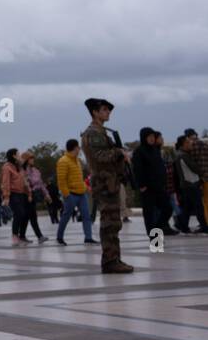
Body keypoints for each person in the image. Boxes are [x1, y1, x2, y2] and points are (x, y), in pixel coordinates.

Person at [80, 98, 133, 273]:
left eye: (108, 110)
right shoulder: (93, 133)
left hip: (109, 180)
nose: (107, 112)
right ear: (95, 112)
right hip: (104, 182)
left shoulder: (101, 132)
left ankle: (113, 258)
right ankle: (110, 261)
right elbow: (100, 156)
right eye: (104, 109)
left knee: (113, 222)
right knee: (109, 223)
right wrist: (119, 152)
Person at [132, 127, 175, 239]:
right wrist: (142, 186)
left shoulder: (155, 150)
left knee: (168, 208)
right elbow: (137, 170)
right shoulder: (139, 152)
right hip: (147, 188)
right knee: (150, 215)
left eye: (153, 137)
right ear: (144, 138)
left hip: (159, 187)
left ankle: (157, 229)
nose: (151, 139)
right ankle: (155, 241)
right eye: (149, 137)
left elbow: (160, 167)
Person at [55, 139, 96, 245]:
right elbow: (61, 181)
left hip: (82, 194)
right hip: (71, 194)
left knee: (86, 216)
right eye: (78, 147)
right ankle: (59, 237)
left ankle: (88, 238)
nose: (80, 149)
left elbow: (79, 178)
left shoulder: (77, 161)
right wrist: (66, 195)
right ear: (75, 148)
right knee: (66, 216)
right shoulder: (63, 161)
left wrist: (86, 188)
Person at [174, 135, 208, 233]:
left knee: (187, 207)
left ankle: (182, 225)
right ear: (183, 144)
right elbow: (195, 168)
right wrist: (203, 172)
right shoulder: (183, 155)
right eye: (188, 142)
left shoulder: (183, 154)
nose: (191, 144)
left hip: (188, 185)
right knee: (198, 207)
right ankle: (204, 227)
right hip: (190, 184)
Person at [21, 151, 47, 243]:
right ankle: (39, 236)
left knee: (28, 216)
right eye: (31, 158)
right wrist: (29, 194)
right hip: (26, 196)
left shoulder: (35, 170)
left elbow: (41, 183)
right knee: (32, 216)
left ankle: (22, 236)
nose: (33, 160)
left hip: (33, 195)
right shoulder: (22, 171)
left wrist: (46, 195)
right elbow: (25, 184)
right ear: (26, 160)